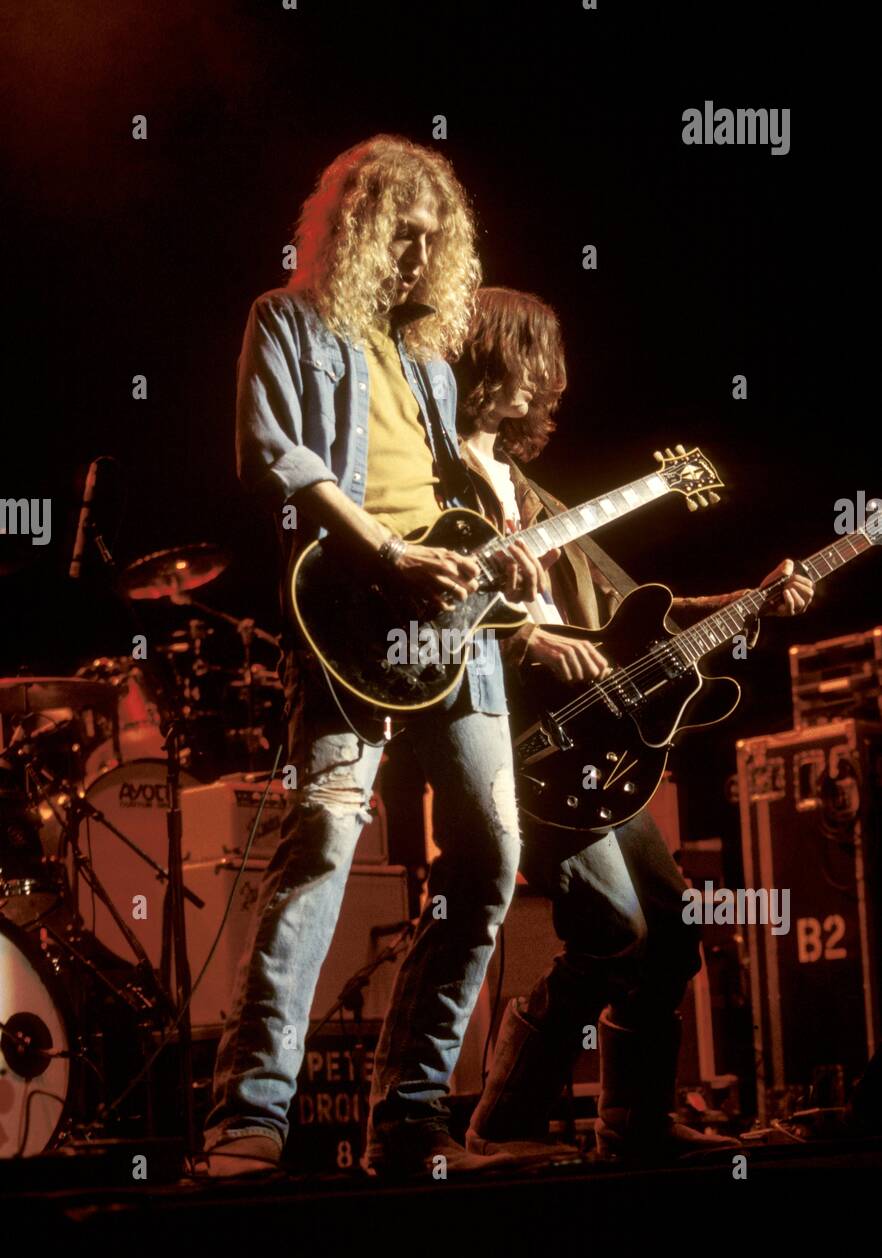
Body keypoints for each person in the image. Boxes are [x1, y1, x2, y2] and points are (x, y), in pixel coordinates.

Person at [203, 143, 551, 1180]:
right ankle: (250, 1119)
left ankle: (409, 1122)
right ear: (354, 226)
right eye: (403, 235)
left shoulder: (432, 363)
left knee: (489, 857)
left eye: (434, 240)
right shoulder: (287, 322)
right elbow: (274, 456)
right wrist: (389, 554)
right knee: (321, 845)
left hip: (457, 637)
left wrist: (504, 557)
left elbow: (451, 502)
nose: (419, 257)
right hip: (349, 618)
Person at [453, 286, 814, 1165]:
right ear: (487, 358)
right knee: (612, 932)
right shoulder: (443, 479)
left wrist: (750, 601)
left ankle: (633, 1123)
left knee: (673, 928)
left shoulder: (534, 497)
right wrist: (527, 641)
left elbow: (637, 617)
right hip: (522, 744)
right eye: (530, 357)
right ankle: (503, 1123)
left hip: (597, 748)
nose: (545, 380)